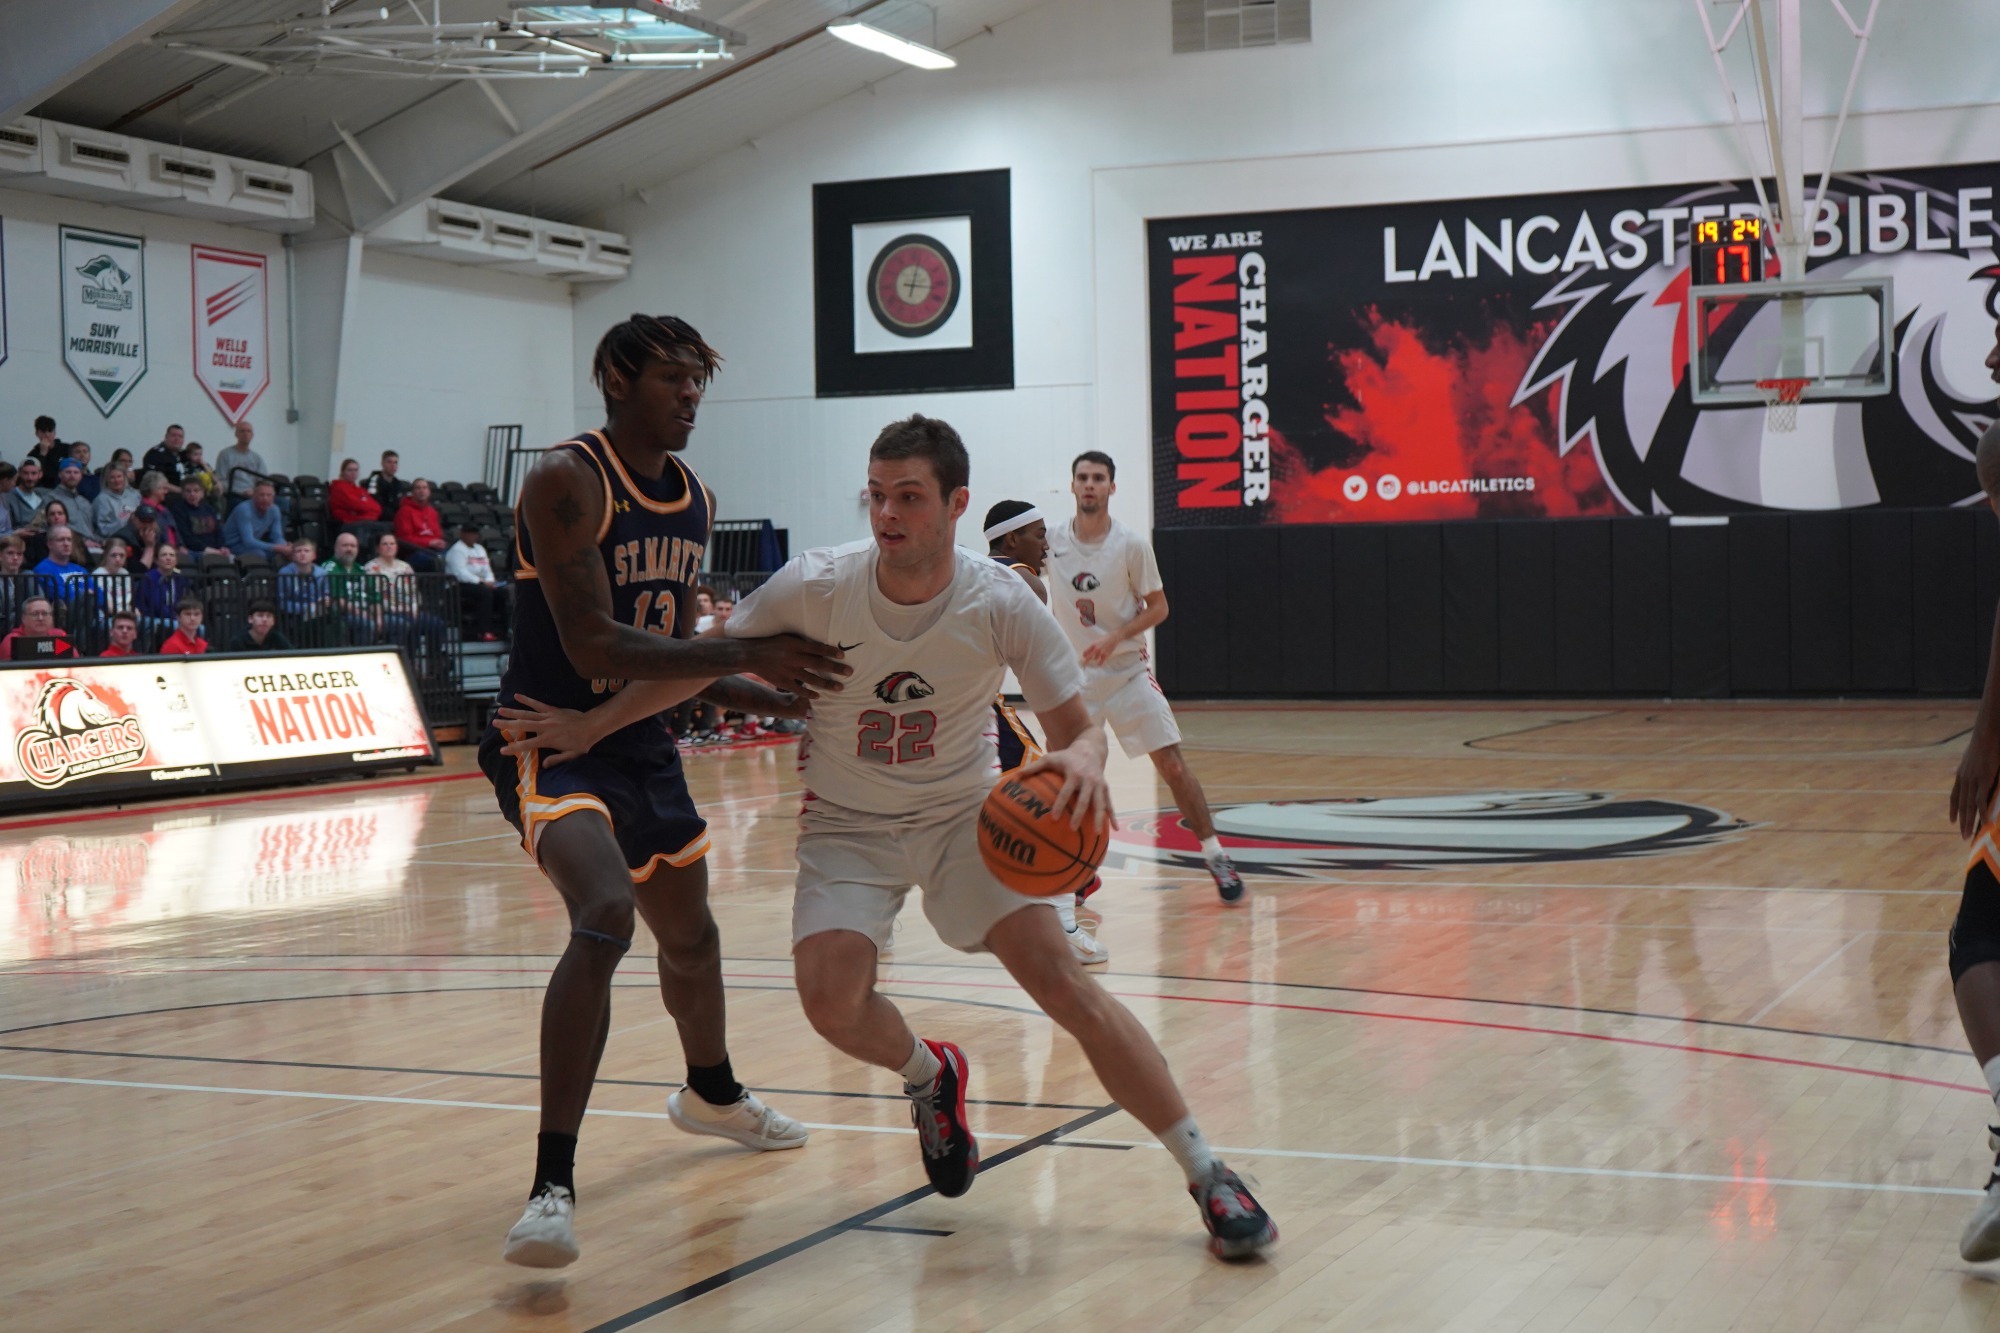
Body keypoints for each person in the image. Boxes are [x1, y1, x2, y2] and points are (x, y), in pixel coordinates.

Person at [694, 414, 1270, 1259]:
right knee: (830, 1003)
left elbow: (1079, 728)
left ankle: (1208, 1168)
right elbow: (696, 656)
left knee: (1069, 987)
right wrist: (620, 712)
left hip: (963, 815)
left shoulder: (1000, 599)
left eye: (910, 497)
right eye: (878, 495)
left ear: (956, 503)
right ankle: (931, 1075)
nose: (888, 514)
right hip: (846, 823)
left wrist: (1082, 764)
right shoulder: (815, 584)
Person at [473, 313, 846, 1270]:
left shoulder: (694, 496)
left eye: (697, 383)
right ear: (616, 378)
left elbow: (671, 655)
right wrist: (748, 651)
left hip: (635, 739)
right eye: (674, 379)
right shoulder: (568, 477)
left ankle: (712, 1092)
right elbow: (595, 640)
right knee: (604, 911)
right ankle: (551, 1185)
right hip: (548, 737)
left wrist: (772, 692)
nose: (690, 398)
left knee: (695, 935)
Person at [1044, 451, 1246, 904]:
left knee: (1172, 765)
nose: (1090, 485)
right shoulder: (1050, 540)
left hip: (1128, 672)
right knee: (1067, 779)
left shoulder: (1131, 544)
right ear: (1072, 486)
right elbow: (1025, 575)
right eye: (1083, 478)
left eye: (1099, 478)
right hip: (1075, 681)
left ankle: (1215, 855)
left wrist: (1116, 635)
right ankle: (1076, 874)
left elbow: (1159, 607)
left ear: (1112, 488)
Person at [981, 499, 1106, 963]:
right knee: (1055, 796)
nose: (1047, 543)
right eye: (1038, 534)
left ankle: (880, 925)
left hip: (955, 712)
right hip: (979, 714)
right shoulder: (1024, 580)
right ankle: (1064, 929)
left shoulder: (971, 572)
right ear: (1012, 539)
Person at [445, 521, 508, 640]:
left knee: (502, 593)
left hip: (480, 583)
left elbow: (487, 569)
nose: (472, 536)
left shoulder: (480, 549)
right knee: (484, 593)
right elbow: (460, 573)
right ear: (462, 534)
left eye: (474, 534)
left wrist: (490, 581)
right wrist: (482, 582)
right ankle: (484, 631)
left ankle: (505, 630)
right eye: (469, 533)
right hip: (457, 585)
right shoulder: (457, 550)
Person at [324, 530, 385, 644]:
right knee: (367, 624)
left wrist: (378, 617)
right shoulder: (331, 568)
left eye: (353, 546)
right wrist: (361, 613)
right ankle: (363, 658)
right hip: (342, 615)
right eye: (345, 545)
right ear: (336, 548)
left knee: (399, 623)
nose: (349, 549)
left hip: (366, 613)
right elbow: (338, 599)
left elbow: (375, 598)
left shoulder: (361, 569)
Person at [278, 539, 343, 646]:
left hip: (319, 612)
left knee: (336, 620)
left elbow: (326, 594)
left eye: (306, 551)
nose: (302, 554)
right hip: (294, 614)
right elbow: (283, 602)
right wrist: (307, 607)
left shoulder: (322, 573)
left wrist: (327, 600)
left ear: (314, 555)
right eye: (298, 551)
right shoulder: (285, 573)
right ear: (293, 556)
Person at [136, 543, 193, 643]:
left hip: (175, 618)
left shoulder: (180, 579)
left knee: (200, 628)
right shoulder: (149, 578)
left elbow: (184, 602)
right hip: (152, 618)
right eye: (164, 555)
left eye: (171, 555)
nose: (168, 558)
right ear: (156, 560)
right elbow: (152, 605)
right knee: (174, 625)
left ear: (176, 561)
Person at [392, 478, 449, 572]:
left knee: (453, 557)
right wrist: (429, 542)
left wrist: (439, 542)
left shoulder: (432, 512)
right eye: (418, 488)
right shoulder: (404, 511)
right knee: (435, 561)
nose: (422, 491)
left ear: (429, 492)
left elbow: (438, 534)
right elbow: (404, 539)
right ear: (412, 492)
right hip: (413, 552)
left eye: (424, 488)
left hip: (433, 550)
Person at [222, 480, 289, 558]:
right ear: (254, 496)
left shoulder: (275, 510)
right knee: (259, 555)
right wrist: (276, 548)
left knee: (285, 554)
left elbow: (277, 536)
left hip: (253, 544)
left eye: (269, 495)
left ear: (273, 498)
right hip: (232, 545)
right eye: (261, 495)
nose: (265, 498)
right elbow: (248, 541)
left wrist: (284, 546)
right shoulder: (244, 509)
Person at [45, 460, 101, 554]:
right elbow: (49, 528)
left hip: (92, 547)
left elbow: (93, 529)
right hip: (68, 547)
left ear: (81, 476)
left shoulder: (85, 502)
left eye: (76, 472)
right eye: (68, 472)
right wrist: (81, 541)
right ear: (60, 474)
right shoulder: (50, 499)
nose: (72, 475)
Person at [166, 476, 229, 557]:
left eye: (196, 490)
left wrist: (222, 547)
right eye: (188, 491)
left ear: (202, 493)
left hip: (216, 550)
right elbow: (187, 537)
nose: (192, 494)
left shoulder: (209, 509)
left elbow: (218, 531)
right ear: (183, 494)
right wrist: (210, 551)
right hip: (195, 552)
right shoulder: (179, 510)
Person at [0, 595, 77, 660]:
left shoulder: (59, 636)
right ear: (23, 618)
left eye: (45, 613)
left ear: (52, 617)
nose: (40, 618)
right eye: (34, 614)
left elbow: (76, 664)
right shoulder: (11, 641)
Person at [34, 526, 88, 605]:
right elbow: (61, 596)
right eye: (61, 540)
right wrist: (88, 595)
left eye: (69, 540)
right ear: (50, 544)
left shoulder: (80, 569)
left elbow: (98, 592)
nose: (66, 544)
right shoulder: (42, 569)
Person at [215, 420, 268, 500]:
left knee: (282, 502)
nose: (246, 434)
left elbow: (263, 481)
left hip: (254, 495)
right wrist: (239, 492)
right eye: (242, 431)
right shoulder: (225, 454)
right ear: (236, 434)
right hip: (234, 495)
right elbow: (221, 479)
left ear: (252, 435)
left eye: (248, 431)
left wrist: (254, 491)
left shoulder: (257, 458)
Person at [112, 502, 172, 571]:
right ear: (133, 518)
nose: (147, 525)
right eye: (143, 521)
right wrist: (149, 547)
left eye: (150, 521)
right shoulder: (123, 538)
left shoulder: (156, 535)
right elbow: (137, 573)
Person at [92, 538, 135, 624]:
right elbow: (109, 608)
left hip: (124, 615)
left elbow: (128, 602)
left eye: (122, 555)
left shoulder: (125, 573)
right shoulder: (98, 575)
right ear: (106, 556)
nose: (118, 559)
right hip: (105, 618)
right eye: (113, 555)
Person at [329, 456, 381, 526]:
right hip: (347, 523)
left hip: (362, 521)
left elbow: (377, 508)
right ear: (343, 472)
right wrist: (367, 508)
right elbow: (356, 505)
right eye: (350, 470)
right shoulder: (339, 488)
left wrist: (366, 509)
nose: (353, 473)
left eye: (356, 470)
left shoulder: (359, 489)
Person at [228, 599, 293, 653]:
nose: (265, 619)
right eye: (260, 615)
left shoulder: (278, 638)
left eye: (268, 616)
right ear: (250, 619)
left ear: (273, 621)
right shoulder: (238, 641)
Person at [93, 464, 140, 538]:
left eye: (119, 476)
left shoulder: (135, 495)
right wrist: (127, 521)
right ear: (106, 480)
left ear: (124, 477)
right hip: (113, 539)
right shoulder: (101, 500)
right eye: (112, 477)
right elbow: (102, 529)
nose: (117, 480)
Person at [7, 457, 45, 530]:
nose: (29, 478)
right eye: (25, 473)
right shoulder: (8, 497)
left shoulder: (44, 496)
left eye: (33, 473)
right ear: (19, 474)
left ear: (40, 474)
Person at [370, 448, 408, 519]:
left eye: (395, 462)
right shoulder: (373, 481)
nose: (393, 465)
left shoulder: (398, 484)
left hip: (395, 518)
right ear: (382, 463)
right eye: (389, 462)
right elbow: (374, 503)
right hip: (379, 518)